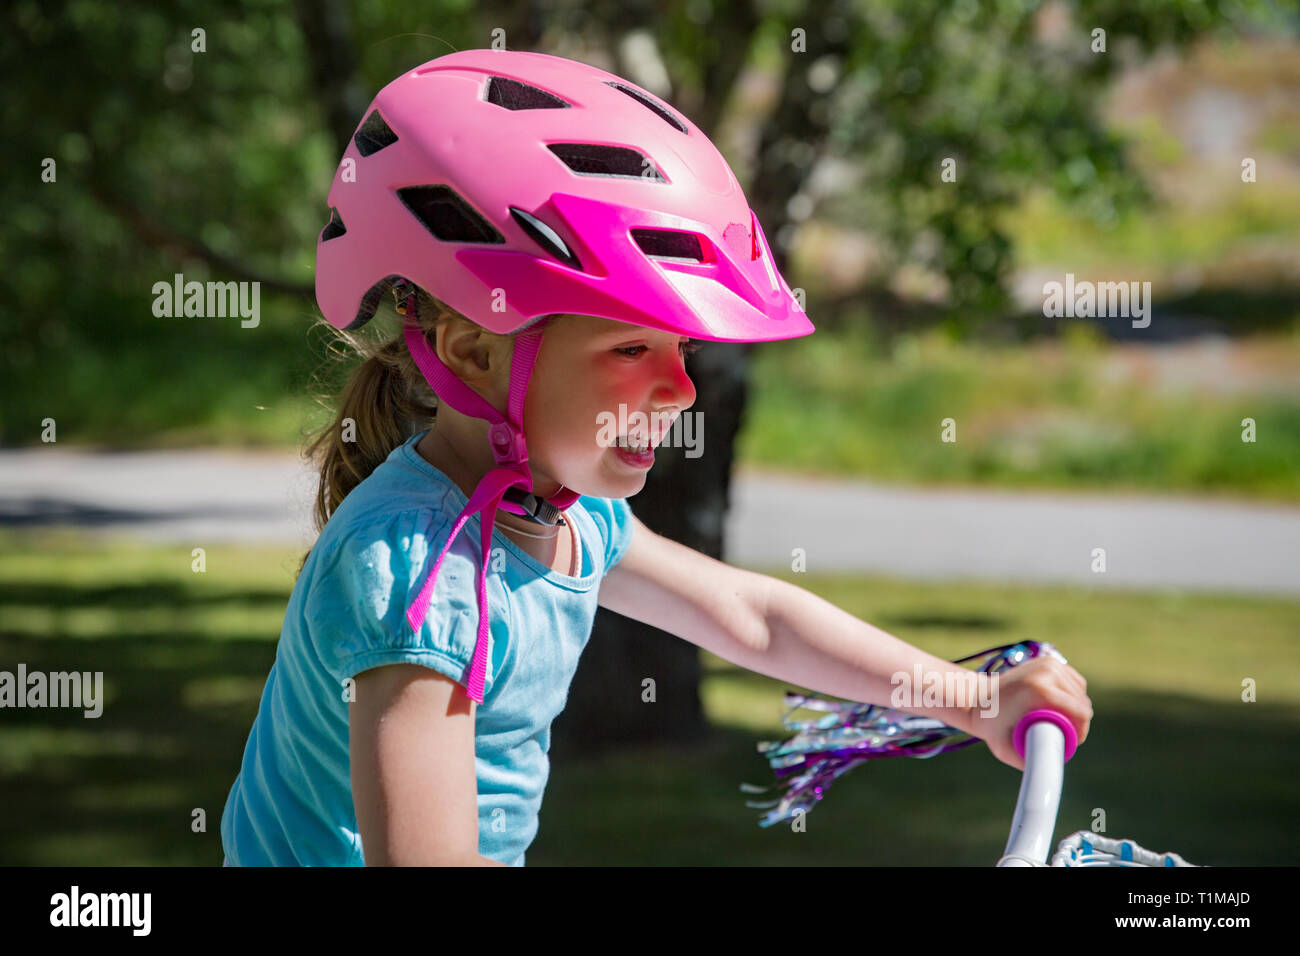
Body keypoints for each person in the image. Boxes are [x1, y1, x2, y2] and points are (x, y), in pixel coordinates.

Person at [220, 48, 1092, 867]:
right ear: (471, 351)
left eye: (682, 353)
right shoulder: (415, 577)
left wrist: (971, 700)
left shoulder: (567, 516)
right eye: (632, 350)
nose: (681, 391)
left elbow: (753, 619)